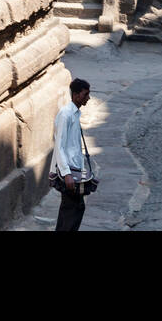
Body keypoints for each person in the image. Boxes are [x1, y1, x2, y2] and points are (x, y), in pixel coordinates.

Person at [52, 78, 92, 231]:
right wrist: (67, 173)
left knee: (73, 210)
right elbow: (59, 146)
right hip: (69, 172)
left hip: (75, 170)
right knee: (71, 211)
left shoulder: (75, 114)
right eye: (85, 94)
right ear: (76, 95)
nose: (88, 98)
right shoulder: (65, 115)